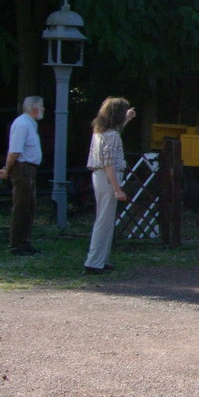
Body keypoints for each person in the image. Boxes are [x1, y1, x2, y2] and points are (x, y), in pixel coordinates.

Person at [83, 97, 135, 275]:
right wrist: (117, 189)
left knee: (104, 220)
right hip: (108, 178)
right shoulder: (112, 136)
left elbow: (115, 134)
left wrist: (127, 120)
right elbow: (109, 164)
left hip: (100, 176)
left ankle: (99, 260)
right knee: (104, 221)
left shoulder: (100, 131)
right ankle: (94, 262)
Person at [0, 96, 45, 257]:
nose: (43, 109)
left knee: (29, 206)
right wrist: (7, 169)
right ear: (35, 109)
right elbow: (15, 151)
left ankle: (25, 241)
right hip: (23, 168)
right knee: (21, 206)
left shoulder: (29, 124)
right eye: (42, 107)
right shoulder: (23, 124)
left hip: (28, 168)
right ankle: (16, 244)